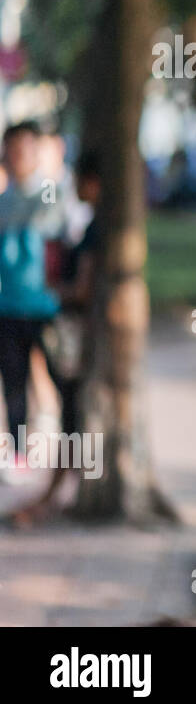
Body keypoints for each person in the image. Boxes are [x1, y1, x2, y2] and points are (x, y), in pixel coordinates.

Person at [10, 149, 102, 525]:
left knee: (72, 409)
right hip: (77, 334)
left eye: (80, 178)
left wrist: (50, 290)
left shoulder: (96, 230)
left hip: (78, 335)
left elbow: (82, 290)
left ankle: (55, 491)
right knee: (70, 408)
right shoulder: (94, 225)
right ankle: (60, 489)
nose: (75, 186)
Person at [0, 121, 70, 479]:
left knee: (63, 379)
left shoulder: (50, 194)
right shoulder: (4, 202)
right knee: (14, 385)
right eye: (13, 149)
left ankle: (73, 453)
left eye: (26, 148)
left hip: (47, 310)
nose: (19, 156)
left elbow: (57, 230)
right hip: (9, 309)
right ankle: (18, 455)